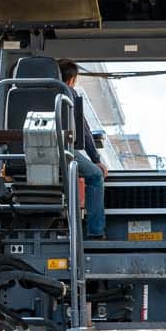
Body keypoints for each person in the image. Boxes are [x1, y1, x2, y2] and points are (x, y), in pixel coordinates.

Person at [58, 62, 107, 240]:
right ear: (71, 80)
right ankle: (95, 232)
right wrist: (96, 159)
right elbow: (84, 131)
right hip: (61, 150)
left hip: (31, 154)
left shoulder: (33, 92)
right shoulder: (68, 94)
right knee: (95, 175)